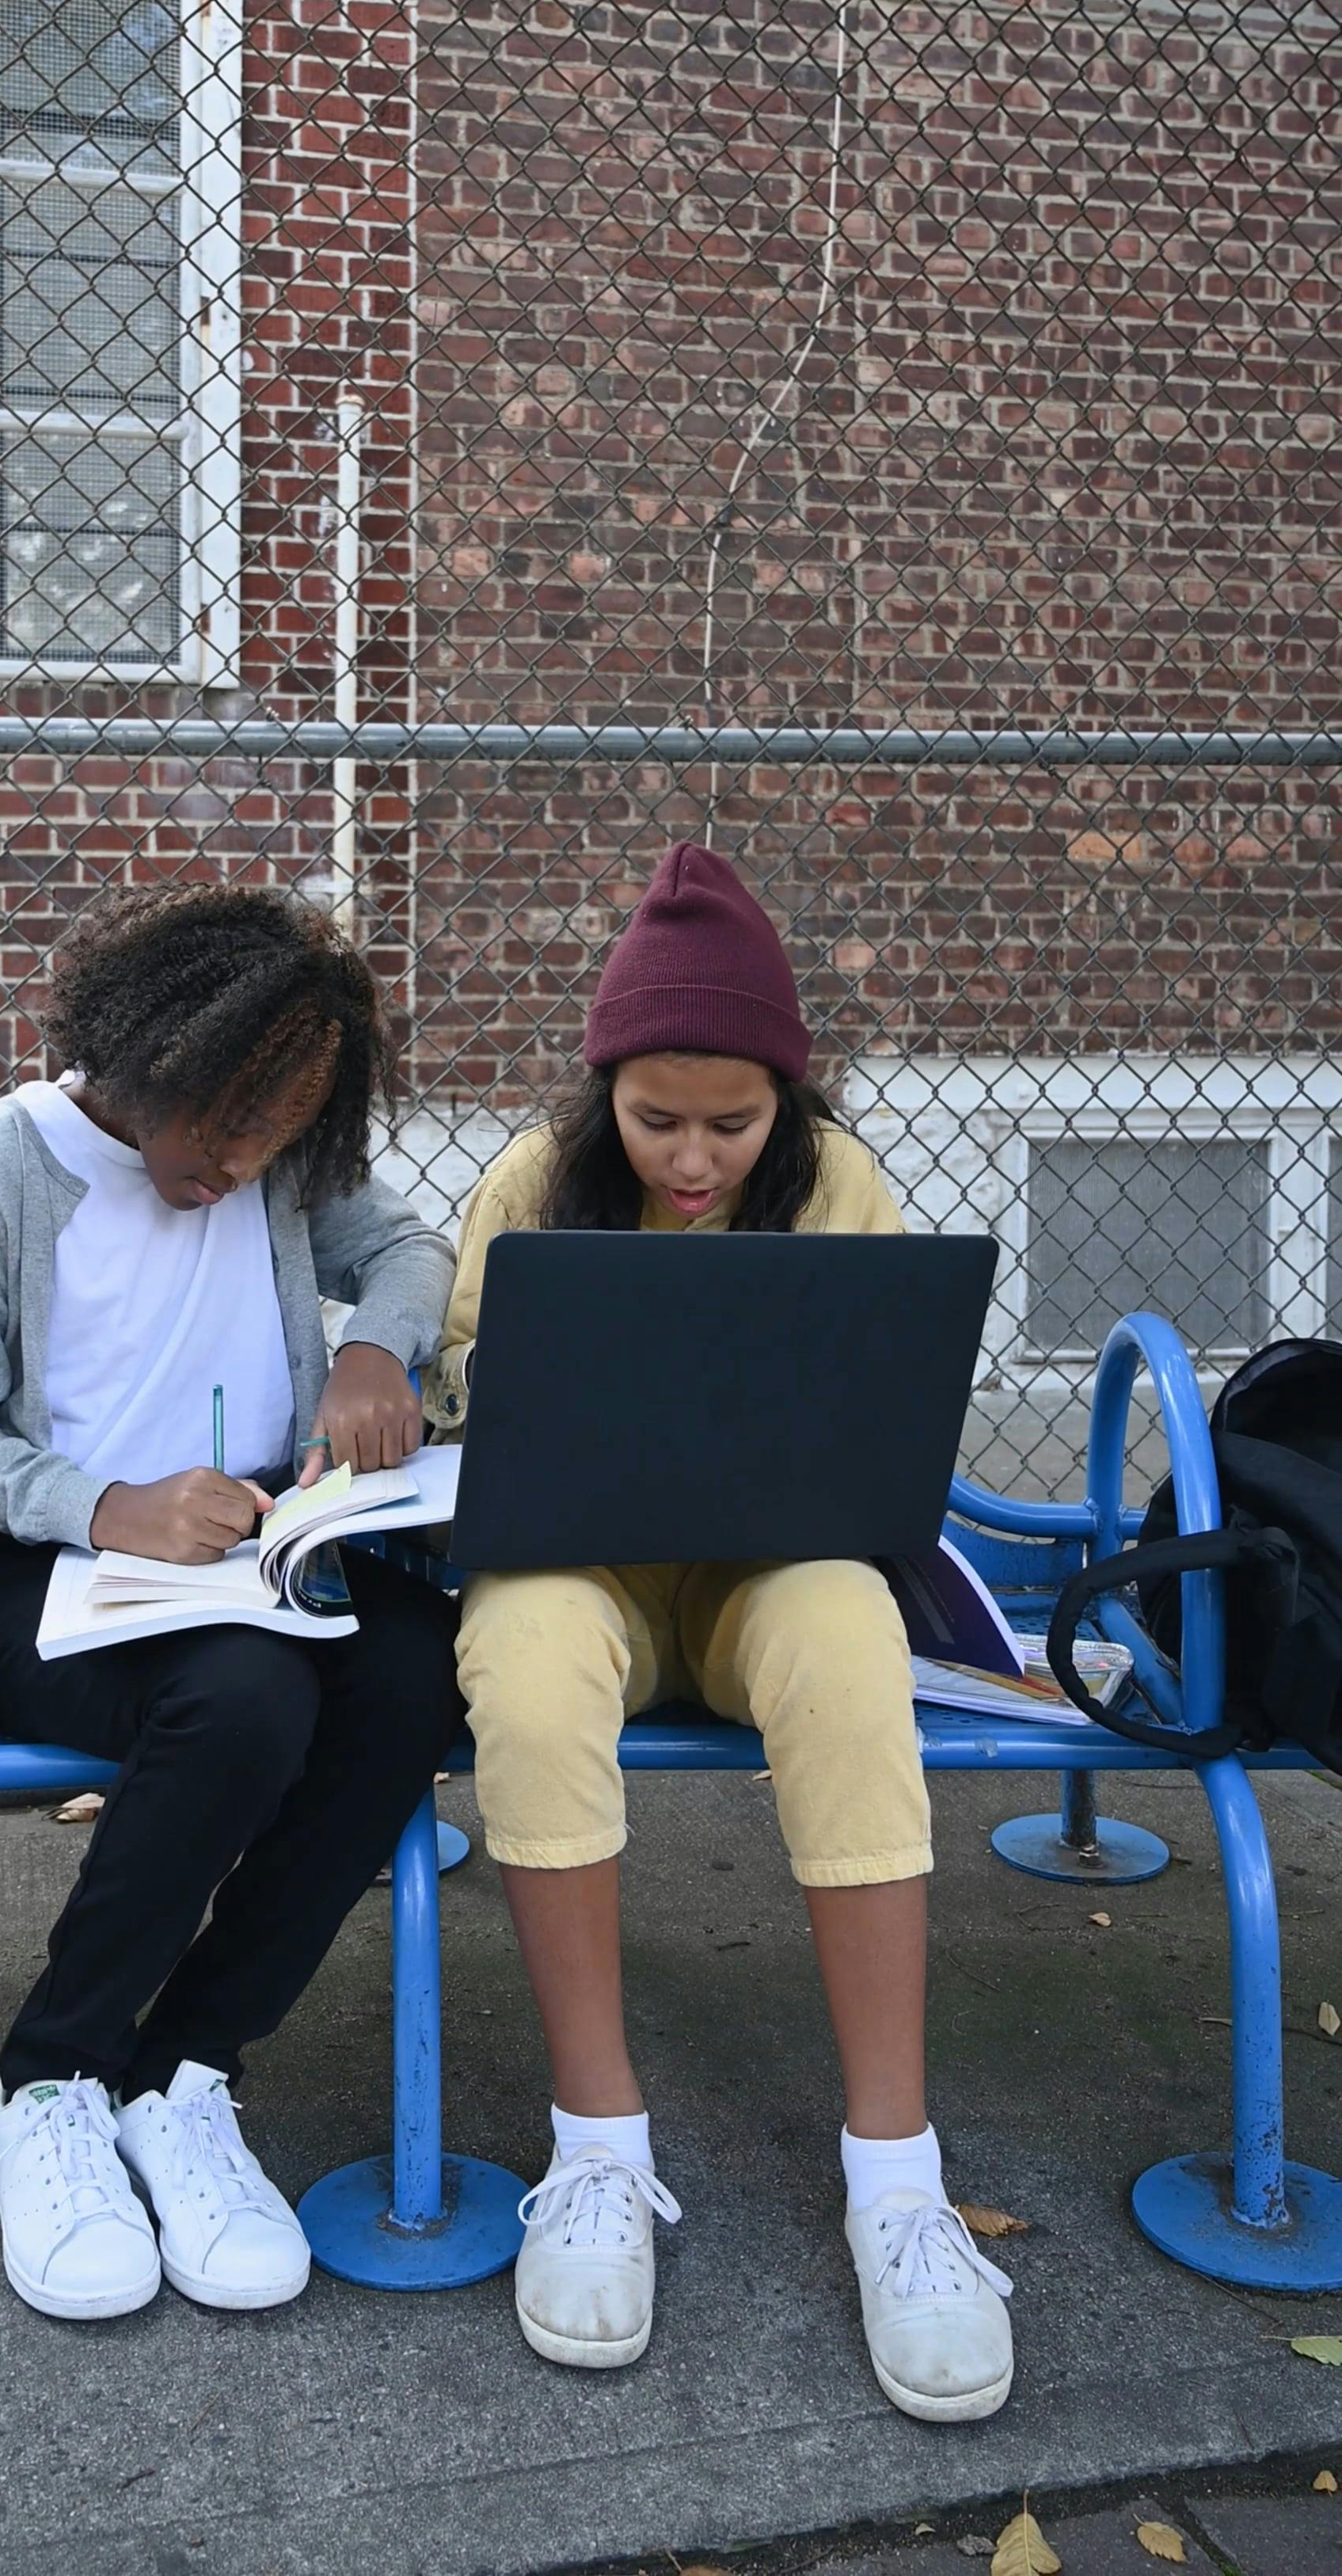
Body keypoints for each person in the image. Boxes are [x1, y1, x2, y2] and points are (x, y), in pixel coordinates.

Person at [429, 842, 1013, 2422]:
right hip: (586, 1570)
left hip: (773, 1569)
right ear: (604, 1093)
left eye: (733, 1125)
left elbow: (886, 1406)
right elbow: (471, 1396)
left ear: (789, 1102)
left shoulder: (843, 1184)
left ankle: (898, 2180)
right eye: (656, 1119)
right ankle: (597, 2150)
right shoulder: (528, 1184)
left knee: (848, 1642)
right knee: (528, 1663)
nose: (692, 1159)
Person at [0, 879, 462, 2325]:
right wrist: (103, 1506)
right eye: (221, 1133)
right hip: (53, 1577)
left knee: (414, 1677)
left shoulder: (272, 1156)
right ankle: (53, 2079)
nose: (239, 1170)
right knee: (245, 1700)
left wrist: (372, 1353)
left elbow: (409, 1250)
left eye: (277, 1142)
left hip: (256, 1548)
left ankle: (184, 2075)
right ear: (149, 1054)